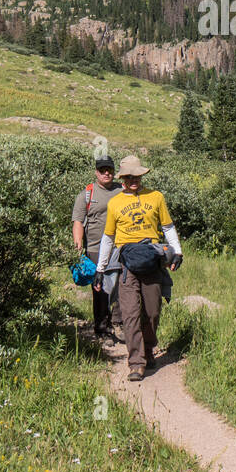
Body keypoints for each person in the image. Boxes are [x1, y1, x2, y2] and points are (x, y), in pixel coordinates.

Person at [94, 154, 182, 381]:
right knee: (131, 314)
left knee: (152, 311)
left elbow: (168, 227)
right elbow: (108, 237)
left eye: (138, 176)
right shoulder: (115, 203)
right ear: (123, 178)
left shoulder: (156, 197)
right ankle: (136, 362)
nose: (134, 180)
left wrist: (177, 251)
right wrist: (100, 269)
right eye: (130, 176)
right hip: (127, 265)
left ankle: (149, 348)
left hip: (152, 259)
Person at [72, 155, 123, 337]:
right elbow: (78, 221)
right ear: (96, 172)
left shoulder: (122, 190)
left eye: (109, 169)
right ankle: (102, 329)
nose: (106, 173)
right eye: (102, 170)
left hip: (120, 247)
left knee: (122, 287)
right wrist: (78, 248)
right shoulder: (87, 194)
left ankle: (119, 323)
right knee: (100, 290)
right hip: (94, 247)